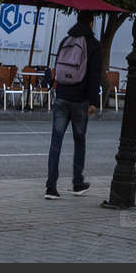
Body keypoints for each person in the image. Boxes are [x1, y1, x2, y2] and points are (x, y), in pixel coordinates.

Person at [46, 10, 101, 197]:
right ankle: (78, 182)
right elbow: (94, 76)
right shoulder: (93, 44)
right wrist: (93, 102)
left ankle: (51, 187)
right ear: (91, 23)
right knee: (79, 141)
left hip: (61, 96)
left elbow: (58, 68)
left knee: (56, 142)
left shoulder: (65, 41)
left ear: (77, 20)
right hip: (80, 100)